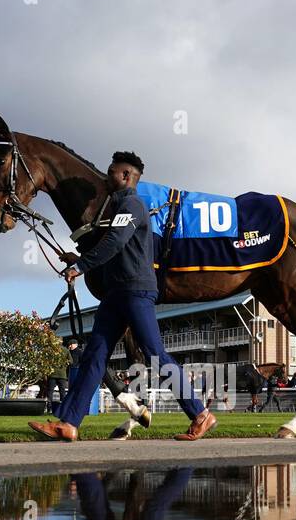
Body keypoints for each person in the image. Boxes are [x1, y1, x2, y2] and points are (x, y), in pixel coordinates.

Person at [29, 150, 215, 442]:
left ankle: (200, 415)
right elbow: (112, 247)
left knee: (155, 354)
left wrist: (81, 265)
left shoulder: (132, 205)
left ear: (127, 176)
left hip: (136, 291)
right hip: (117, 292)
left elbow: (115, 242)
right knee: (94, 357)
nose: (107, 175)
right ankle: (68, 423)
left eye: (112, 171)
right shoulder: (119, 209)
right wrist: (77, 257)